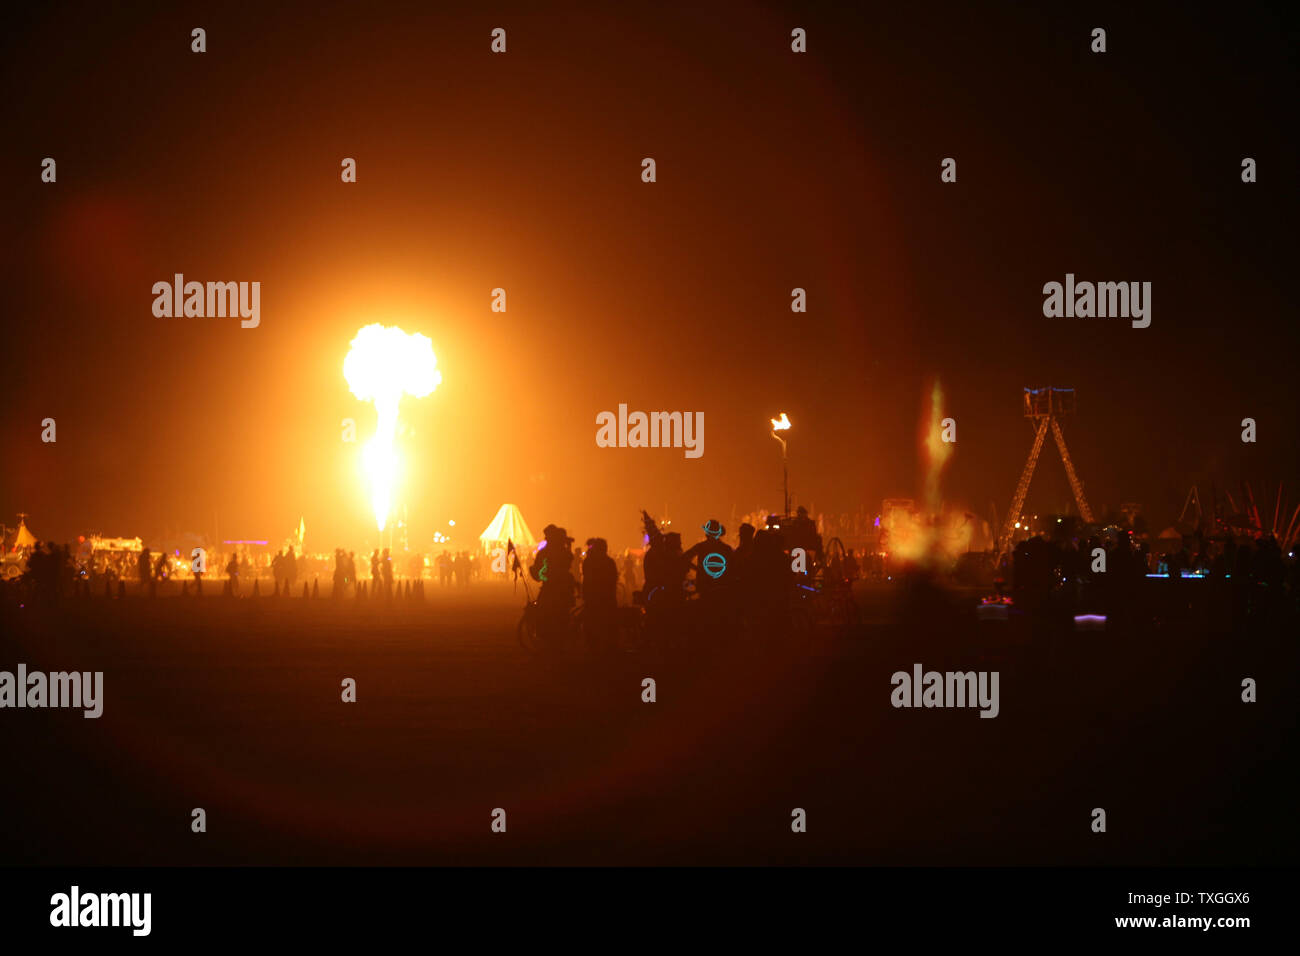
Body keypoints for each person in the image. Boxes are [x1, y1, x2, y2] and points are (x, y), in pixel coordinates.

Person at [530, 525, 576, 652]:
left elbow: (538, 573)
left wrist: (532, 571)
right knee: (563, 617)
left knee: (543, 614)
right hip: (565, 589)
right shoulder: (565, 552)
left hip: (550, 589)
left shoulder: (545, 552)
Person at [581, 538, 619, 656]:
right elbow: (613, 579)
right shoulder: (609, 562)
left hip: (593, 598)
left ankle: (594, 648)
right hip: (606, 598)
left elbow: (587, 579)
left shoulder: (589, 561)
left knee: (592, 624)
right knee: (607, 625)